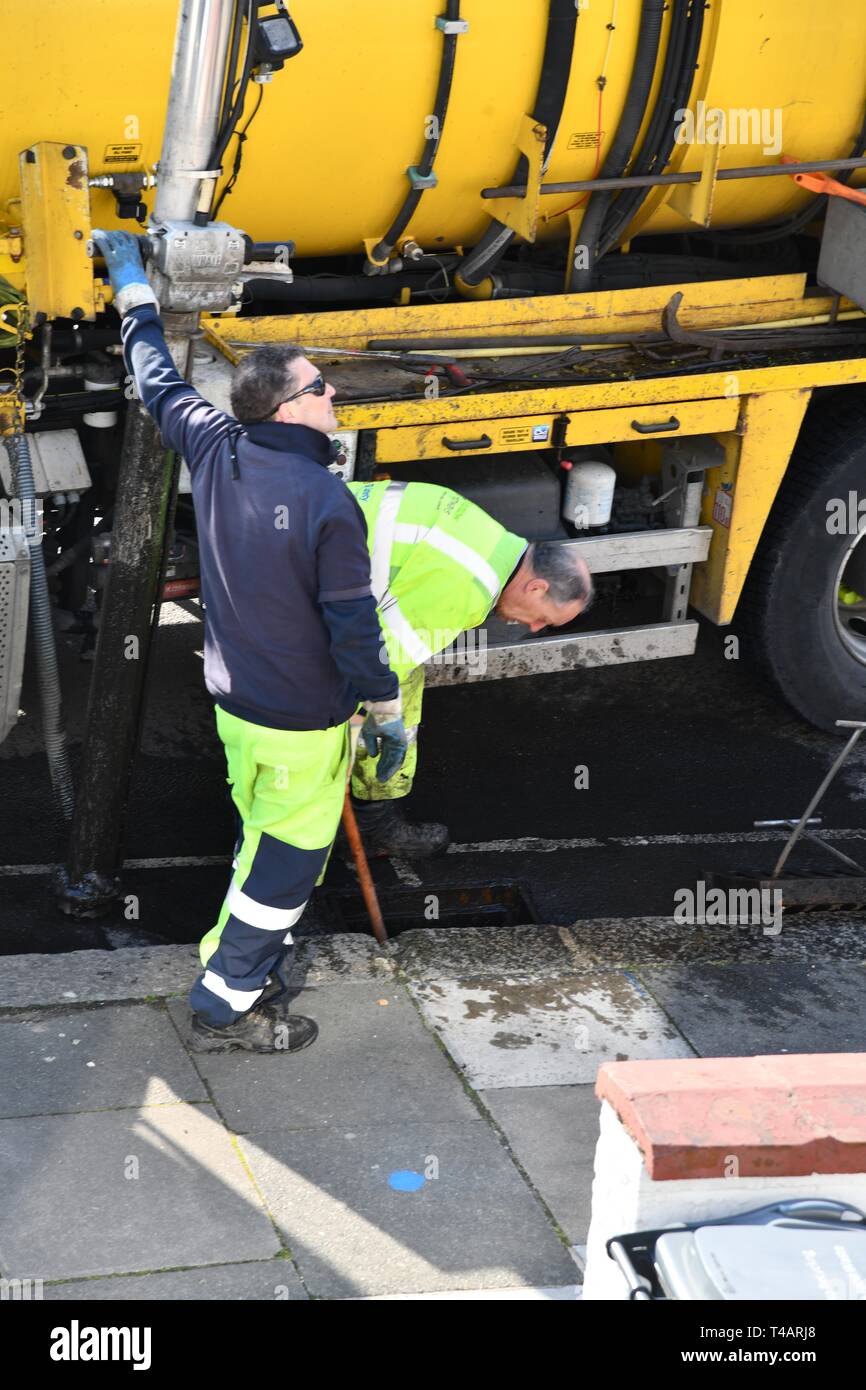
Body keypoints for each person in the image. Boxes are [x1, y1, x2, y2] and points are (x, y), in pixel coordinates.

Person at [93, 230, 407, 1054]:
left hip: (239, 708)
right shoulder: (327, 501)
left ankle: (235, 965)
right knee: (283, 869)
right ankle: (226, 1001)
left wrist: (132, 290)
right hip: (305, 724)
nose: (333, 392)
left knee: (257, 835)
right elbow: (352, 624)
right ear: (291, 408)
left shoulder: (214, 444)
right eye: (322, 386)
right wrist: (383, 707)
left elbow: (155, 376)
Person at [342, 478, 594, 855]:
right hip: (292, 584)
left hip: (317, 552)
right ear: (537, 588)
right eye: (545, 619)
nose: (534, 627)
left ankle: (374, 817)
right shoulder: (466, 587)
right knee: (327, 724)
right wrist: (374, 714)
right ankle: (310, 837)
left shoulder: (491, 539)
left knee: (404, 681)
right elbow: (376, 664)